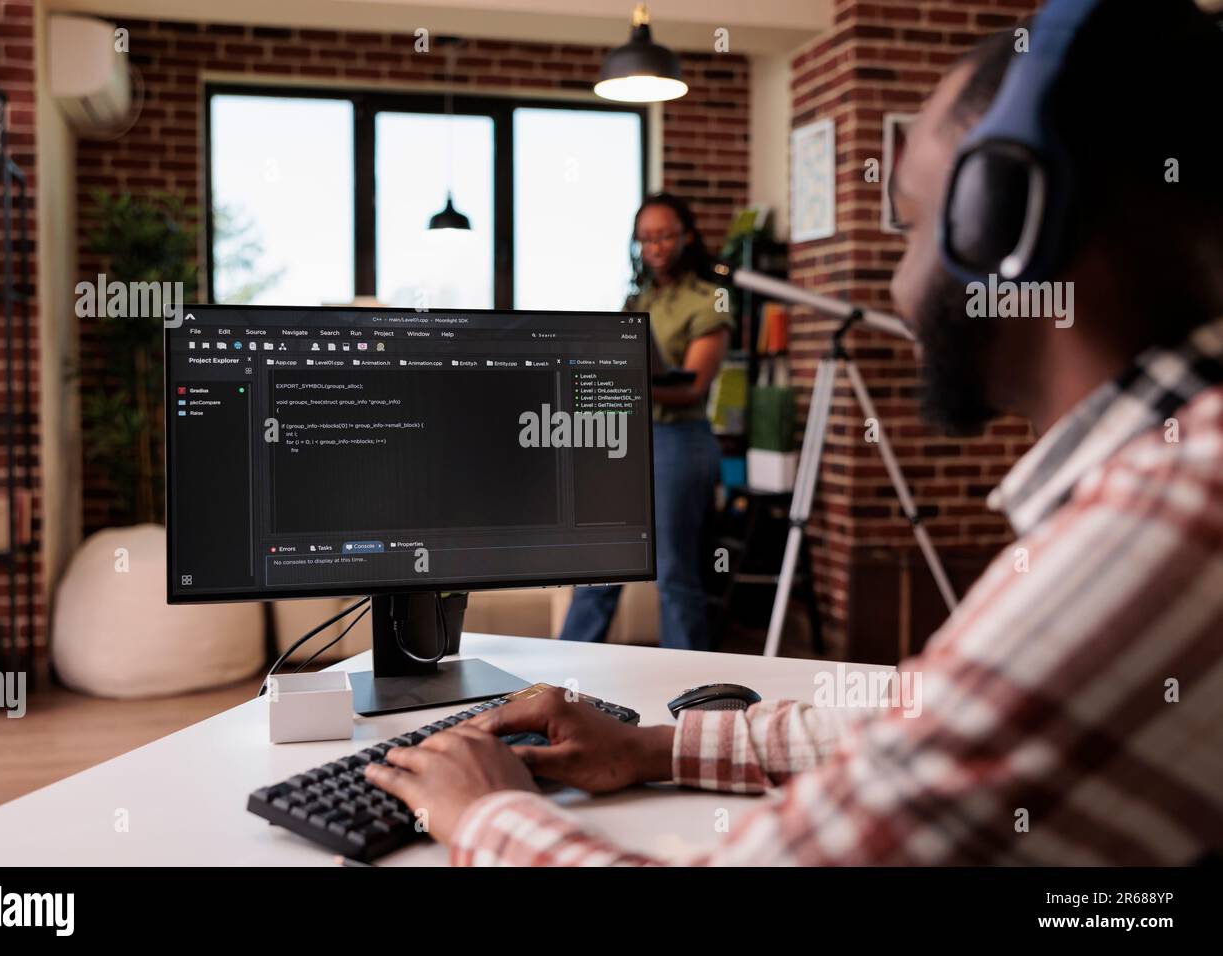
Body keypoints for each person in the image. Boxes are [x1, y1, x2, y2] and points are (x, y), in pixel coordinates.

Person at [364, 0, 1223, 865]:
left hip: (676, 439)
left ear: (1005, 225)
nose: (895, 283)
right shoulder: (1172, 480)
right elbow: (921, 719)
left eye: (915, 222)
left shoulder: (1163, 521)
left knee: (678, 577)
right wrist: (653, 747)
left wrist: (483, 816)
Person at [558, 193, 732, 651]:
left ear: (687, 237)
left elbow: (692, 388)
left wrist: (625, 383)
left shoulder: (709, 300)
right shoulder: (637, 299)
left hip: (680, 441)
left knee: (675, 575)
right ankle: (557, 682)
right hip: (627, 440)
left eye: (665, 235)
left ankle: (692, 697)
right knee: (599, 568)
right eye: (646, 238)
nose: (655, 246)